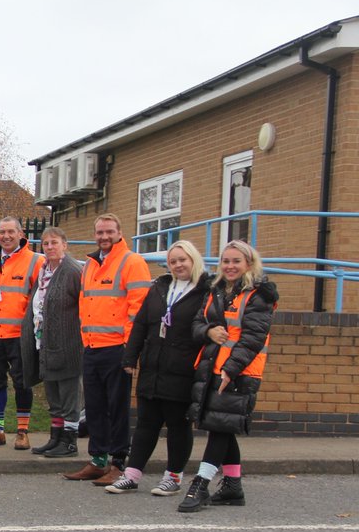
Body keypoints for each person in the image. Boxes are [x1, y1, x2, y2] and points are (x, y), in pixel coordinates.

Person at [107, 240, 211, 496]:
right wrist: (130, 358)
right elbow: (141, 324)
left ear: (193, 260)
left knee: (178, 425)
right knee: (145, 424)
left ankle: (173, 477)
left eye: (182, 259)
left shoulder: (206, 291)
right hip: (153, 368)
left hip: (183, 370)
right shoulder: (159, 288)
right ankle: (131, 474)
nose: (178, 265)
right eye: (173, 261)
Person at [181, 241, 278, 512]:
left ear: (249, 263)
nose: (230, 266)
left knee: (220, 428)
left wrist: (230, 370)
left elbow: (254, 338)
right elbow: (198, 323)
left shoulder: (260, 294)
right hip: (213, 366)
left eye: (236, 261)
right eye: (226, 261)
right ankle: (233, 487)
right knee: (220, 425)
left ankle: (200, 484)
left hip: (240, 371)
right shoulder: (217, 289)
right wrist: (209, 331)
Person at [64, 213, 151, 485]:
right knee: (95, 407)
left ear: (120, 232)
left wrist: (130, 348)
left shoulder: (132, 262)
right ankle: (98, 459)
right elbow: (86, 304)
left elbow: (139, 309)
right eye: (100, 232)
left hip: (117, 347)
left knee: (117, 407)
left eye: (109, 232)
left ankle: (118, 461)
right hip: (92, 346)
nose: (104, 237)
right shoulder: (91, 264)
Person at [0, 216, 42, 449]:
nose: (6, 236)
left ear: (21, 234)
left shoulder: (35, 261)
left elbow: (39, 298)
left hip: (19, 335)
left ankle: (22, 432)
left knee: (22, 383)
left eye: (11, 232)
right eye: (2, 232)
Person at [20, 226, 83, 458]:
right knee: (53, 394)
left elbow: (84, 305)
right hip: (45, 343)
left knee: (68, 395)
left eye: (54, 243)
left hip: (68, 344)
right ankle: (55, 437)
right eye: (46, 244)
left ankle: (69, 441)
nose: (50, 247)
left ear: (64, 245)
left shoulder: (73, 271)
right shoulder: (44, 271)